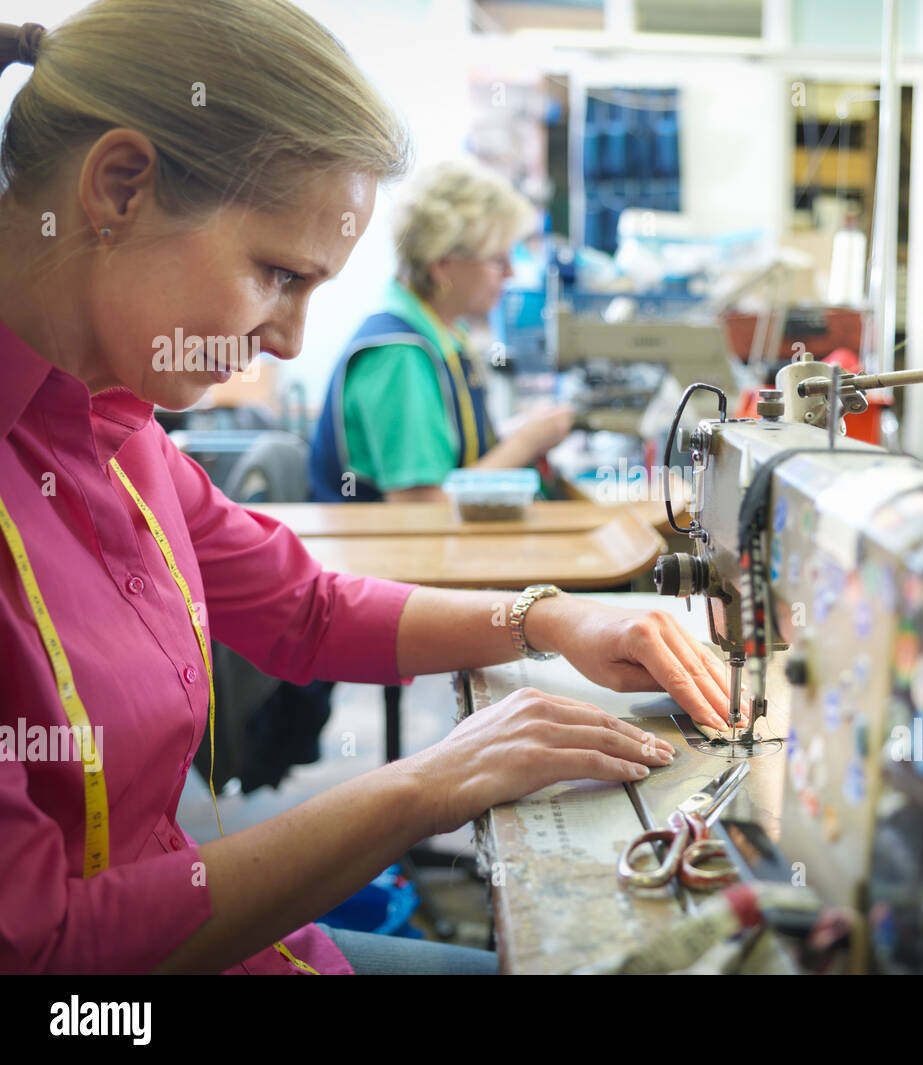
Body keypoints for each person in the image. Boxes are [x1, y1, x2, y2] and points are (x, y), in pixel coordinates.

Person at [0, 1, 737, 976]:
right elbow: (43, 954)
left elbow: (302, 606)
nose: (293, 339)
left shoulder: (118, 430)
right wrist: (423, 787)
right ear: (120, 186)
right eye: (275, 275)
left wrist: (549, 620)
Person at [309, 160, 573, 503]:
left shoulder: (445, 333)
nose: (510, 273)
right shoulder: (399, 356)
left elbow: (450, 456)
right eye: (497, 260)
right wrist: (525, 445)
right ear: (443, 266)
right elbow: (422, 506)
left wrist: (524, 433)